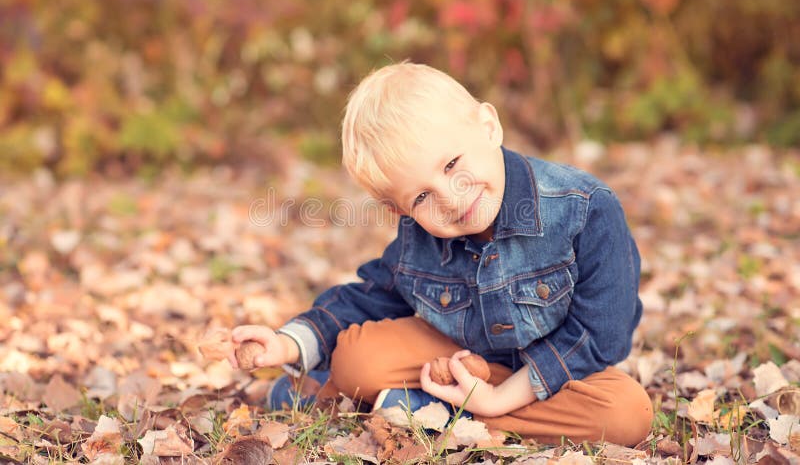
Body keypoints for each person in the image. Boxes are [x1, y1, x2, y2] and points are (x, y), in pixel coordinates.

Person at [229, 62, 653, 446]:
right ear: (399, 209)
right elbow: (374, 296)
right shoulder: (421, 234)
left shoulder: (584, 208)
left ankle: (432, 411)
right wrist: (287, 344)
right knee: (357, 359)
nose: (451, 198)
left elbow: (603, 332)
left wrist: (500, 397)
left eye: (451, 164)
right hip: (454, 362)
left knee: (626, 415)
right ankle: (423, 403)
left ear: (488, 127)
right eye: (421, 196)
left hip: (550, 379)